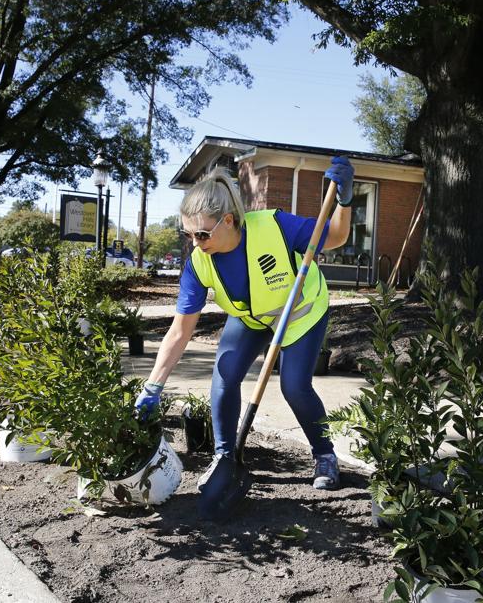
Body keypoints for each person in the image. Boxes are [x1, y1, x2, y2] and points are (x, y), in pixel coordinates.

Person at [136, 156, 355, 491]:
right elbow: (180, 330)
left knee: (294, 386)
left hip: (300, 312)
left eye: (203, 234)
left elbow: (336, 235)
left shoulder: (276, 227)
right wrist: (153, 386)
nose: (196, 242)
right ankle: (225, 457)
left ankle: (324, 453)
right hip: (252, 317)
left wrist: (345, 199)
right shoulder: (199, 263)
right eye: (189, 234)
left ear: (228, 220)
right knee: (224, 376)